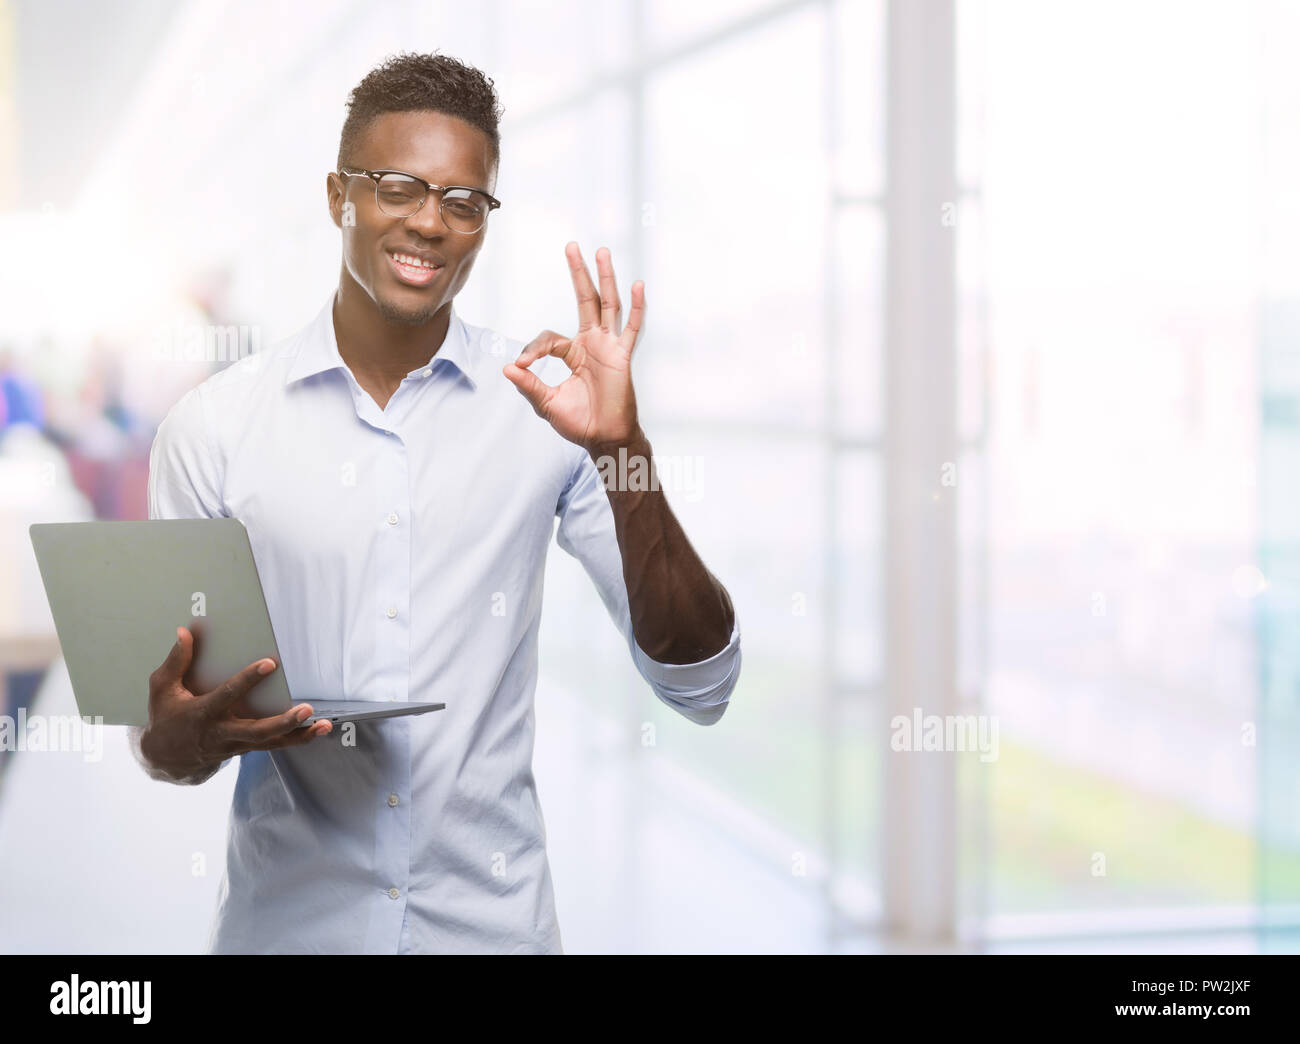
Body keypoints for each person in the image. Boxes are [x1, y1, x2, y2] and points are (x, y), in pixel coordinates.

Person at [130, 52, 741, 954]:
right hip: (288, 933)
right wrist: (185, 740)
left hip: (491, 933)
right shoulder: (213, 429)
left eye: (463, 201)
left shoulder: (544, 412)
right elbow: (164, 739)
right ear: (339, 194)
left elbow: (701, 680)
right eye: (398, 187)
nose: (430, 222)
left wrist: (624, 451)